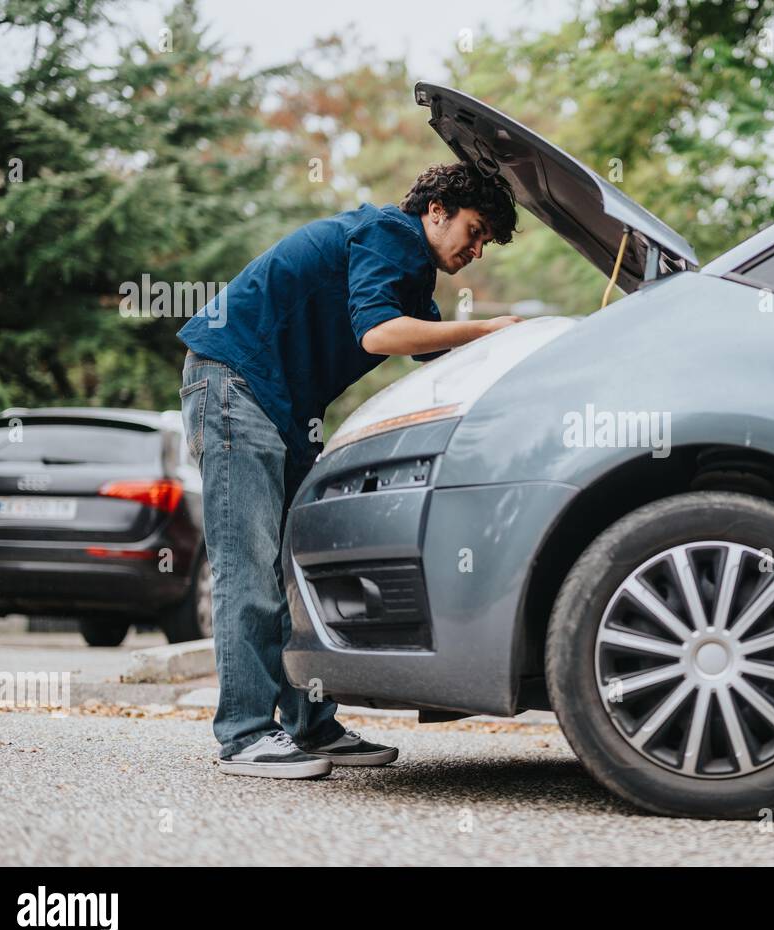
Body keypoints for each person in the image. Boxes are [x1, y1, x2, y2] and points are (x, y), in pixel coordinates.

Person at [176, 162, 521, 778]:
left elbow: (431, 347)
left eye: (485, 242)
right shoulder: (390, 234)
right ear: (436, 208)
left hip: (281, 405)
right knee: (248, 567)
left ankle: (308, 725)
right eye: (474, 230)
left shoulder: (411, 272)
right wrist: (490, 327)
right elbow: (379, 334)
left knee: (288, 572)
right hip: (233, 385)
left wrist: (507, 345)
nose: (475, 249)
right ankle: (244, 735)